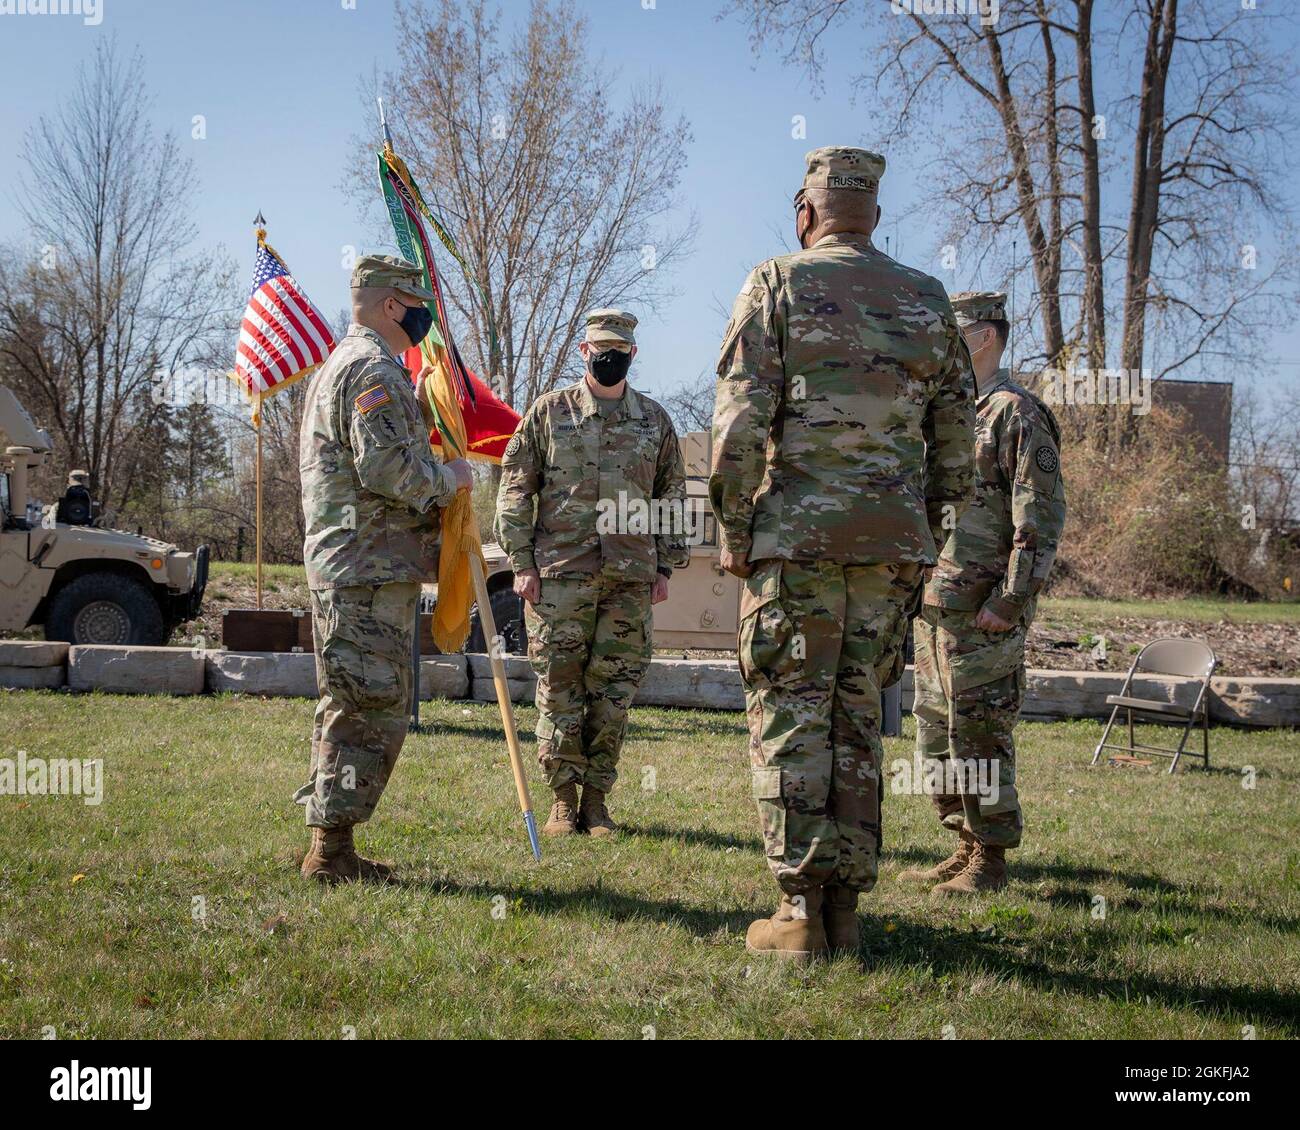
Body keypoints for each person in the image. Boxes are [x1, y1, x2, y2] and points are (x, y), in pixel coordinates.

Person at [710, 146, 976, 959]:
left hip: (797, 545)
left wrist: (734, 535)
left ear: (806, 212)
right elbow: (956, 441)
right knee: (858, 721)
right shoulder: (928, 299)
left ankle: (797, 915)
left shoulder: (777, 283)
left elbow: (737, 431)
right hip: (891, 551)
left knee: (793, 719)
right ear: (875, 218)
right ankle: (846, 914)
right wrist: (924, 533)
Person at [295, 254, 472, 884]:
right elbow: (390, 470)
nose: (425, 313)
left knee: (350, 702)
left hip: (355, 566)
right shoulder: (372, 370)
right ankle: (331, 851)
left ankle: (330, 839)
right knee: (369, 707)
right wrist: (449, 479)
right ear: (393, 304)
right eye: (418, 301)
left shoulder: (340, 366)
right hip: (365, 570)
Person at [495, 309, 688, 837]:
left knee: (613, 691)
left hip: (629, 580)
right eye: (600, 348)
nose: (609, 357)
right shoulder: (548, 413)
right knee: (559, 688)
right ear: (583, 350)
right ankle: (561, 800)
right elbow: (515, 489)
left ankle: (597, 802)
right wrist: (521, 563)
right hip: (560, 577)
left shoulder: (654, 420)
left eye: (619, 350)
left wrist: (664, 564)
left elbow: (672, 496)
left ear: (633, 354)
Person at [900, 291, 1067, 896]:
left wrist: (1011, 599)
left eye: (956, 332)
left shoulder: (1017, 414)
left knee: (981, 735)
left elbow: (1039, 518)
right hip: (937, 608)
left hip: (985, 612)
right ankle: (963, 842)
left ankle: (991, 857)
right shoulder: (951, 412)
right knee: (938, 735)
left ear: (985, 336)